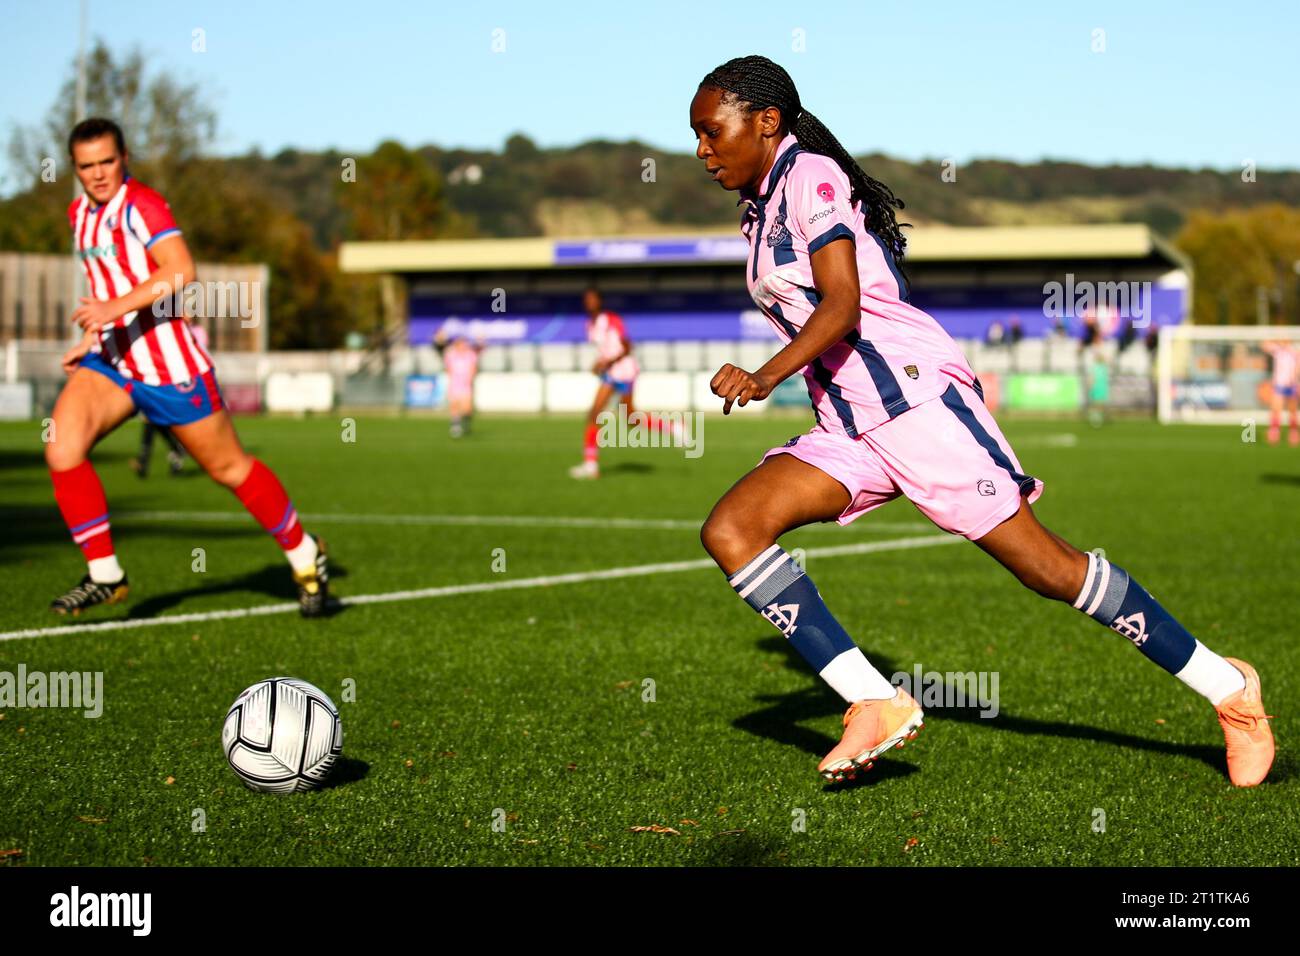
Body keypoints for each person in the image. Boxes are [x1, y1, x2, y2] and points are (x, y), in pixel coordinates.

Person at [690, 56, 1273, 786]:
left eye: (712, 132)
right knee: (733, 529)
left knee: (1048, 568)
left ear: (766, 121)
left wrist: (765, 374)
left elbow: (842, 305)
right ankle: (872, 701)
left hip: (914, 403)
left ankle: (1229, 691)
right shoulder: (760, 207)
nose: (704, 151)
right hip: (847, 424)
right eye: (698, 138)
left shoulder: (811, 178)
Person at [47, 118, 330, 617]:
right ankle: (105, 575)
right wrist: (92, 335)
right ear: (74, 168)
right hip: (114, 361)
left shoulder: (143, 206)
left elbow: (181, 270)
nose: (97, 174)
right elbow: (107, 284)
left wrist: (113, 312)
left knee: (229, 468)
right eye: (87, 166)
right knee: (61, 448)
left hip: (170, 366)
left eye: (107, 162)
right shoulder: (80, 215)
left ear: (125, 157)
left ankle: (304, 552)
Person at [569, 287, 679, 479]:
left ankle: (672, 427)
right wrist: (599, 363)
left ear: (599, 301)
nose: (589, 302)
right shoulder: (590, 325)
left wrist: (608, 362)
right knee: (598, 413)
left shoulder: (610, 319)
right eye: (586, 299)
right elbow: (605, 350)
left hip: (624, 371)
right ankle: (591, 465)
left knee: (628, 418)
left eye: (592, 299)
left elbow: (627, 346)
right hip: (611, 373)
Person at [434, 328, 483, 438]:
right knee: (454, 405)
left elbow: (473, 367)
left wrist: (470, 378)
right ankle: (455, 426)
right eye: (460, 344)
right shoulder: (450, 355)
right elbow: (448, 368)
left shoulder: (470, 354)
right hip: (455, 384)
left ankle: (466, 424)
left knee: (467, 409)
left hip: (466, 384)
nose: (463, 346)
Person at [1262, 339, 1299, 445]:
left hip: (1292, 384)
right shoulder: (1279, 350)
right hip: (1280, 384)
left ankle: (1293, 433)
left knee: (1292, 411)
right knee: (1276, 409)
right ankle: (1274, 432)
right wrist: (1278, 342)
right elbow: (1264, 345)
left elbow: (1297, 367)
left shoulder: (1295, 351)